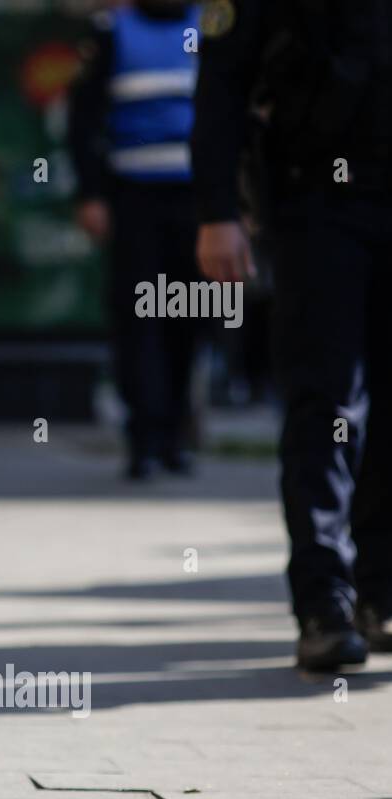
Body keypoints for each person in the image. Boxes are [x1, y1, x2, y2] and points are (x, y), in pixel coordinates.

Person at [193, 0, 392, 671]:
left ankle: (382, 592)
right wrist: (217, 212)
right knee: (326, 401)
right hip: (318, 205)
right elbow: (221, 80)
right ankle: (322, 602)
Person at [67, 0, 204, 481]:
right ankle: (142, 437)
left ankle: (174, 434)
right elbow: (83, 117)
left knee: (188, 314)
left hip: (197, 201)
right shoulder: (112, 31)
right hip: (134, 199)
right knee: (139, 318)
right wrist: (92, 194)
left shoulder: (210, 25)